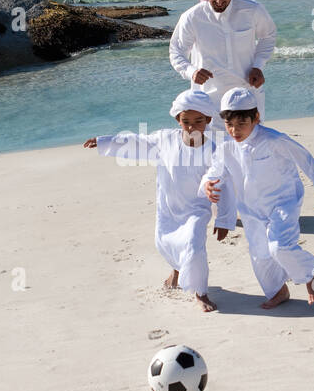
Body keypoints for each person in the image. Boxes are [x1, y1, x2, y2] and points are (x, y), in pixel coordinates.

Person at [83, 88, 235, 312]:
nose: (192, 126)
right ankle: (176, 269)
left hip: (196, 209)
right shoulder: (165, 140)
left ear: (209, 120)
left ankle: (200, 292)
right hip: (168, 207)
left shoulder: (214, 151)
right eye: (186, 121)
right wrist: (105, 142)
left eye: (198, 121)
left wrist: (223, 219)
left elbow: (223, 184)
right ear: (177, 119)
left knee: (194, 245)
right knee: (164, 243)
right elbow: (137, 142)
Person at [202, 87, 314, 310]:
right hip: (250, 209)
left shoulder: (274, 139)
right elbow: (214, 173)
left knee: (279, 247)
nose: (234, 130)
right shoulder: (226, 148)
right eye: (229, 125)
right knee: (260, 254)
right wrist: (207, 185)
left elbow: (304, 158)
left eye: (241, 124)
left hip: (283, 203)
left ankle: (313, 274)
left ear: (256, 118)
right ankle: (278, 291)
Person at [169, 0, 277, 121]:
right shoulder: (192, 17)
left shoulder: (252, 10)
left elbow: (268, 36)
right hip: (208, 98)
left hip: (247, 94)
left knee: (249, 143)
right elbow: (176, 51)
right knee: (213, 144)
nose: (219, 0)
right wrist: (191, 71)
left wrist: (258, 65)